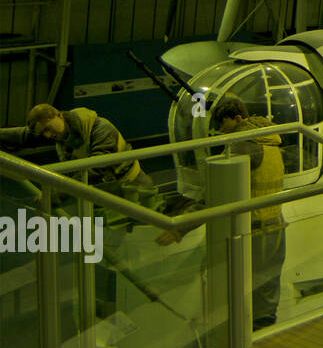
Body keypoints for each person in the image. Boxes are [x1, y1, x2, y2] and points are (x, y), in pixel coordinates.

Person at [159, 96, 287, 330]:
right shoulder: (272, 140)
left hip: (252, 231)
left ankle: (239, 347)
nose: (220, 130)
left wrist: (180, 228)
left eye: (223, 123)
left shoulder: (242, 147)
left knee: (235, 288)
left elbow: (214, 198)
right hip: (276, 225)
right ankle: (268, 339)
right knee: (267, 292)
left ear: (238, 118)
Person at [0, 104, 156, 215]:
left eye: (48, 129)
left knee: (144, 226)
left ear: (59, 115)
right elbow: (24, 135)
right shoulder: (60, 130)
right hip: (103, 190)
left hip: (131, 186)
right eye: (43, 133)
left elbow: (94, 169)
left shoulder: (101, 129)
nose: (47, 136)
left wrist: (56, 194)